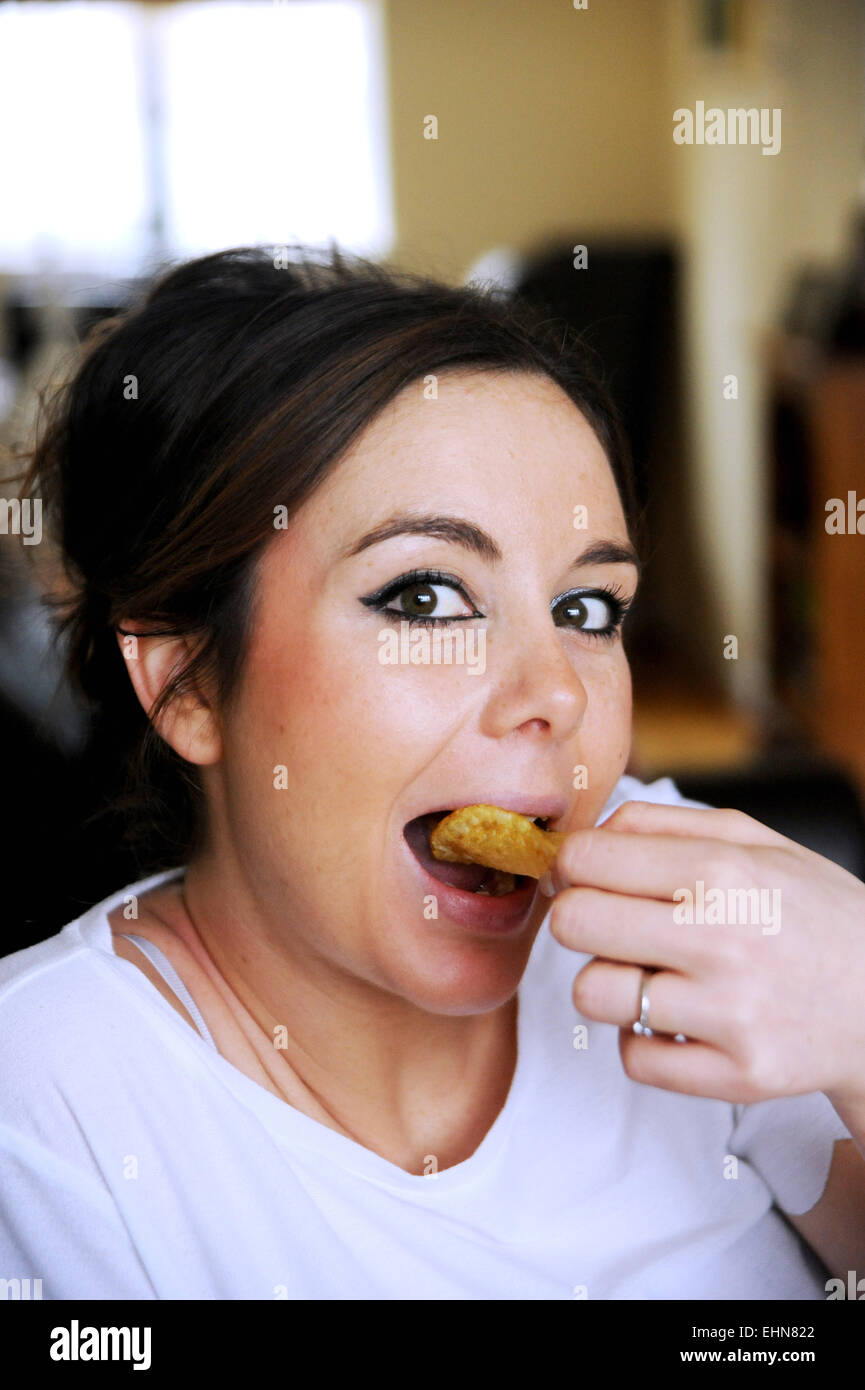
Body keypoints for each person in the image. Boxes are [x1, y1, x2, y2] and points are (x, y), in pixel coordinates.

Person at [1, 245, 863, 1300]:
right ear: (186, 681)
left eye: (588, 609)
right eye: (424, 598)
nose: (557, 693)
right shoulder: (44, 1105)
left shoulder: (683, 930)